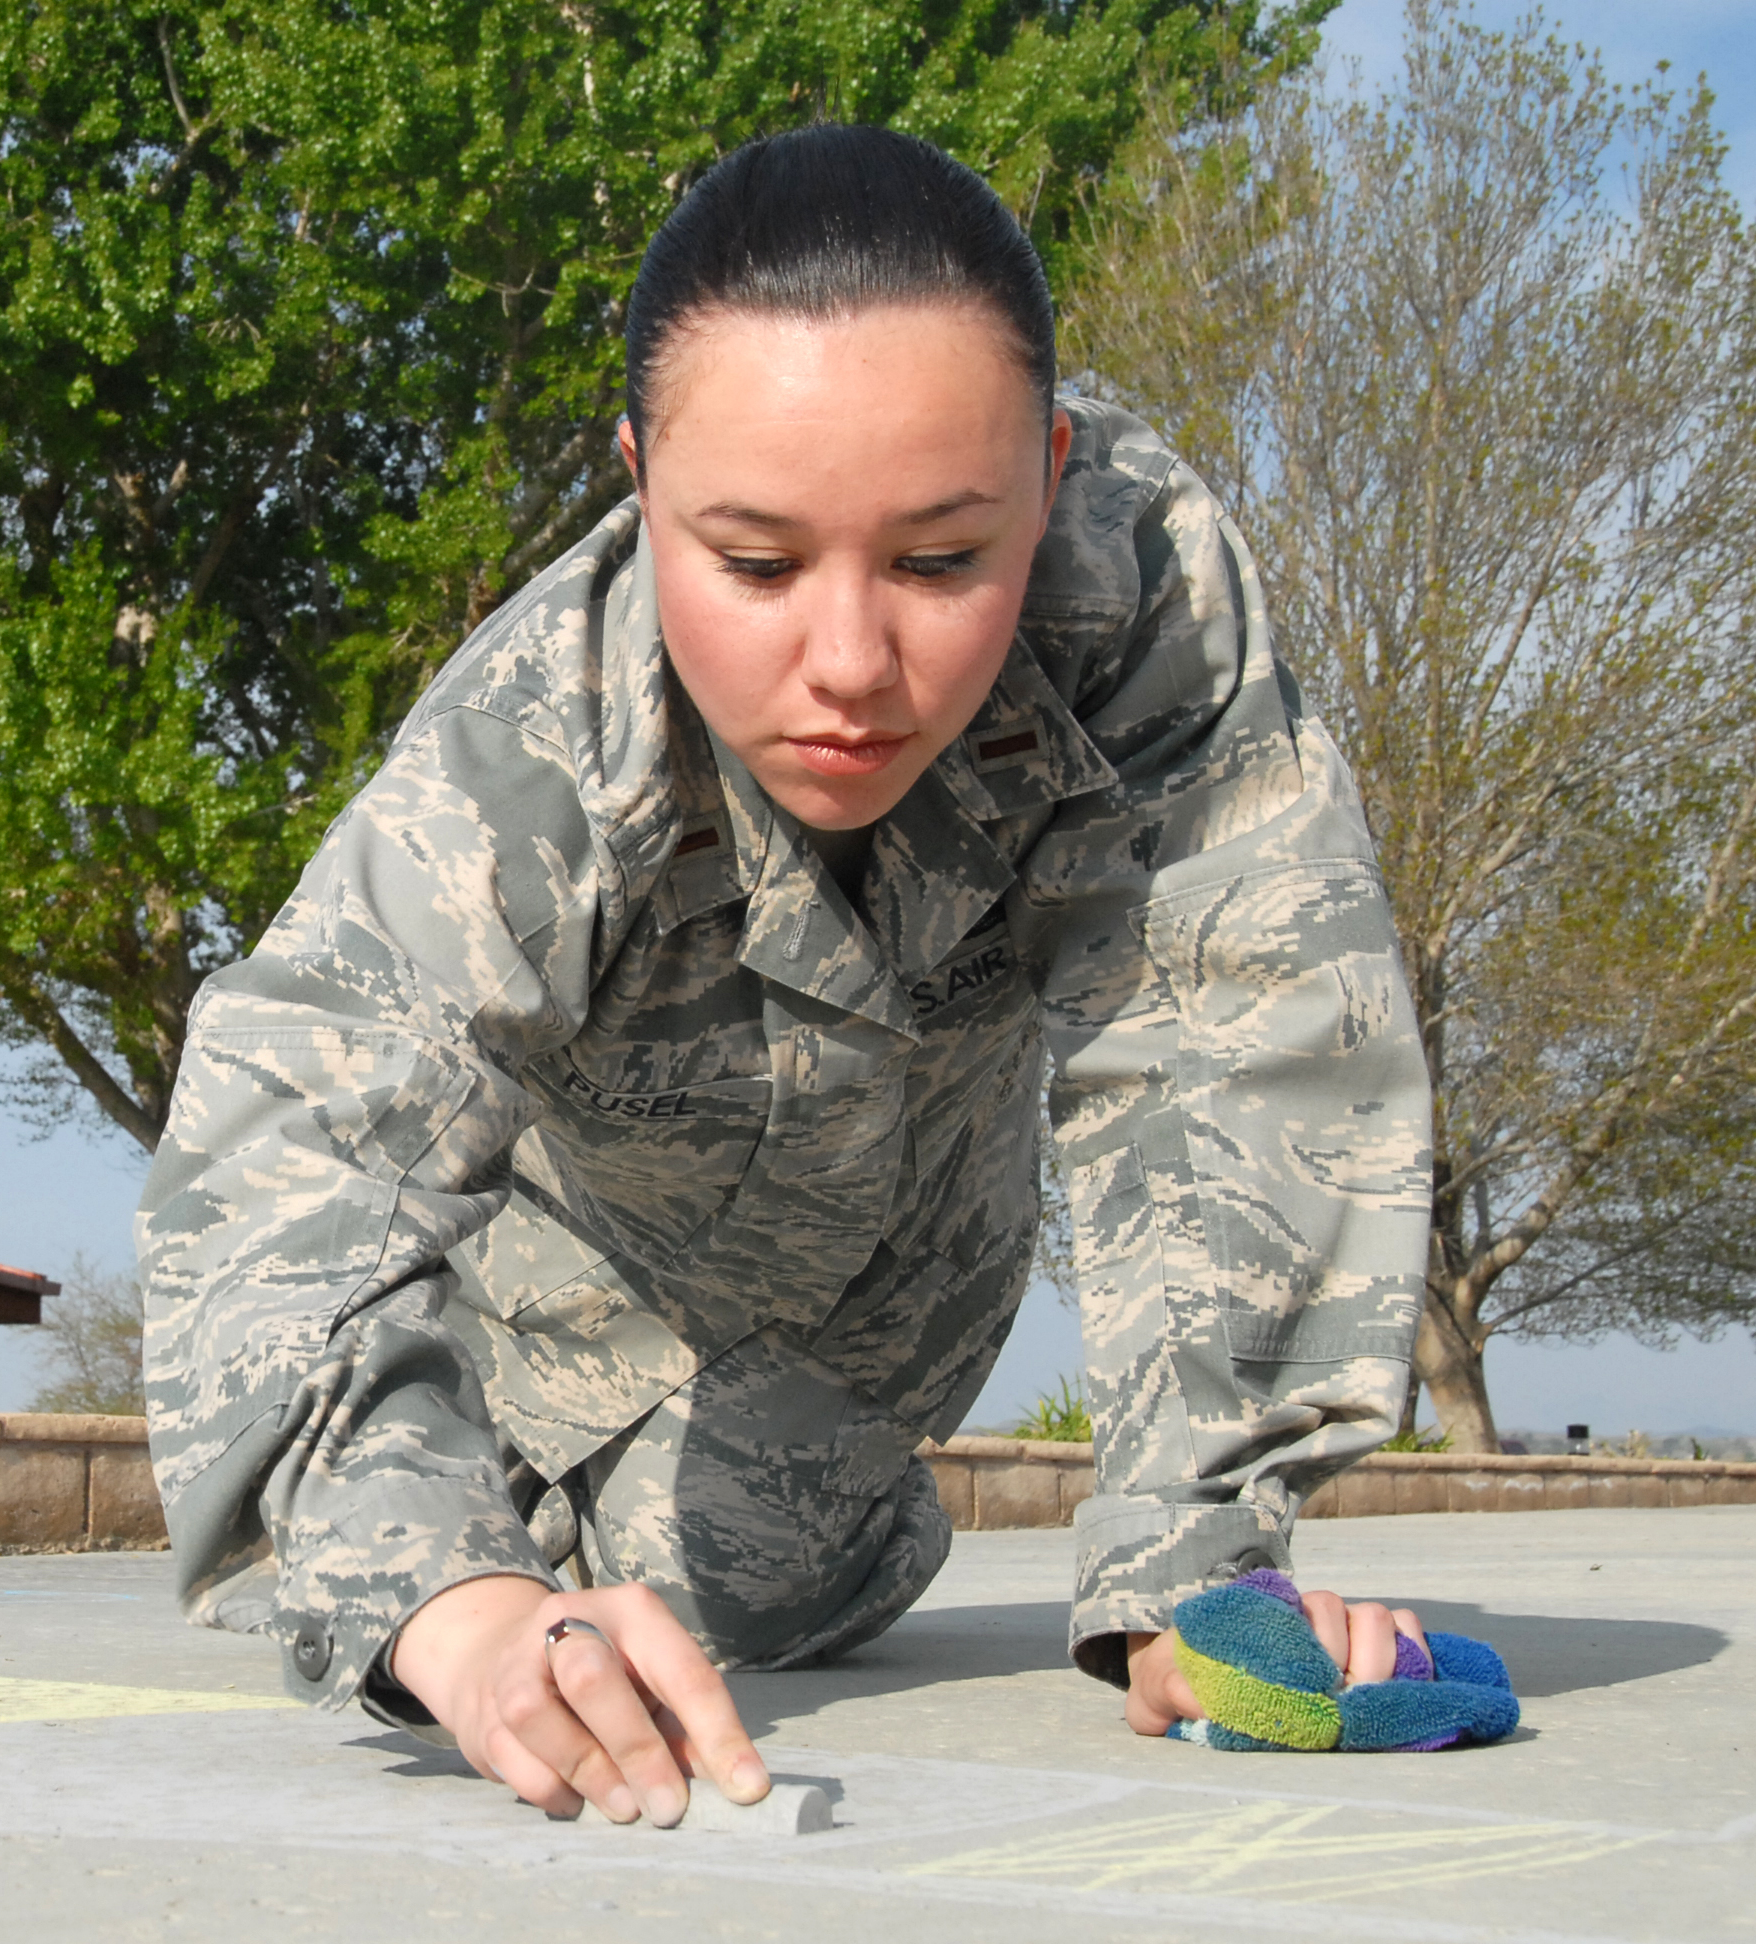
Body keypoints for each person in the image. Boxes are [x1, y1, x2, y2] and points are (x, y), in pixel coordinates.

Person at [135, 122, 1436, 1826]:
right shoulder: (537, 742)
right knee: (646, 1568)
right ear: (640, 480)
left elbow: (1241, 1037)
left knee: (786, 1546)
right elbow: (295, 1132)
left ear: (1046, 478)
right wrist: (440, 1604)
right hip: (561, 1328)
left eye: (941, 561)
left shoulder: (1148, 612)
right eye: (750, 563)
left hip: (879, 1337)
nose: (848, 665)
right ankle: (502, 1517)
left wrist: (1200, 1553)